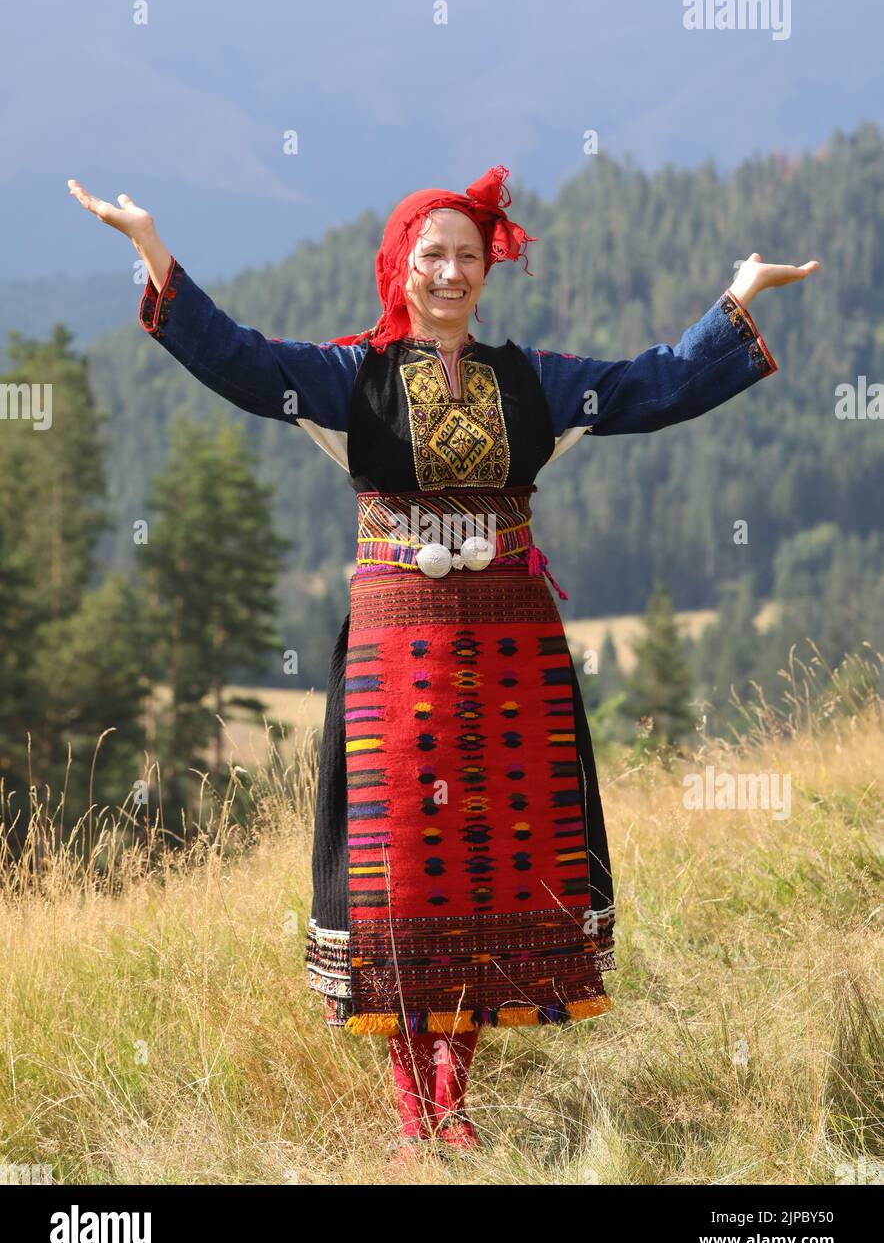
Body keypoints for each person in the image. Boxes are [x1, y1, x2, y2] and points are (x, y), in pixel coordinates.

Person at [67, 167, 819, 1162]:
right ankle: (411, 1118)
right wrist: (151, 249)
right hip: (396, 645)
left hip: (509, 641)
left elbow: (651, 384)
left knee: (490, 873)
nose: (451, 272)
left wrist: (735, 296)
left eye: (468, 255)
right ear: (400, 267)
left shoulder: (531, 378)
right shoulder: (353, 373)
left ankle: (453, 1102)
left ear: (486, 265)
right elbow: (246, 363)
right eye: (433, 256)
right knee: (400, 880)